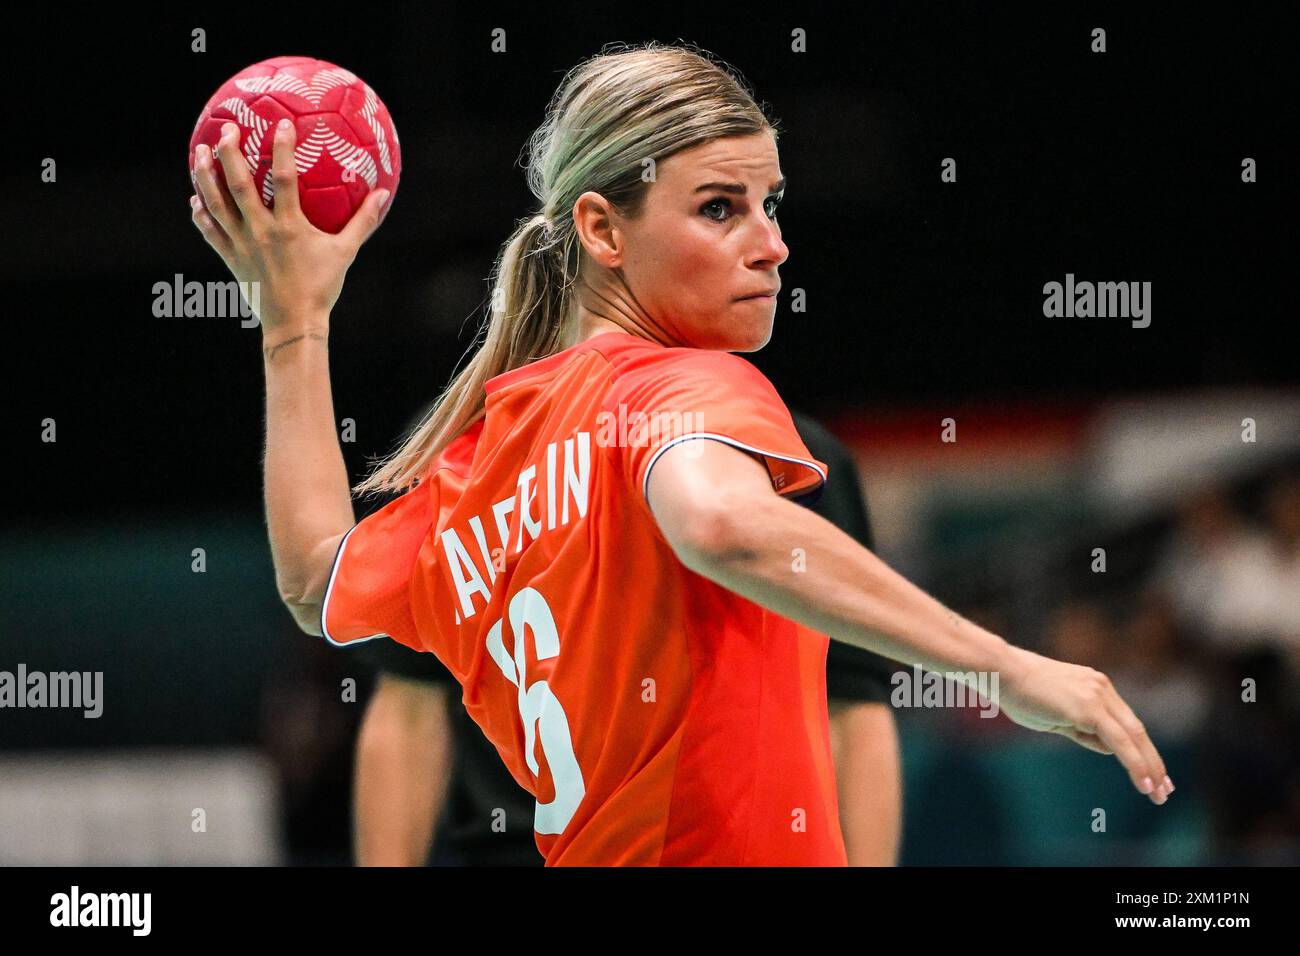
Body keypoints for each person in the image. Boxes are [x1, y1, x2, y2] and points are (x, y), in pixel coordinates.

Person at [190, 41, 1172, 866]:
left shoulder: (477, 471)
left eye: (770, 203)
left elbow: (316, 577)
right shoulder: (677, 382)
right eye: (718, 208)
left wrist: (292, 324)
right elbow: (717, 521)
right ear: (601, 229)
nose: (770, 243)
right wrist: (1004, 666)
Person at [352, 408, 904, 866]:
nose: (769, 268)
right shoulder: (462, 464)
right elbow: (409, 707)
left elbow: (853, 712)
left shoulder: (798, 460)